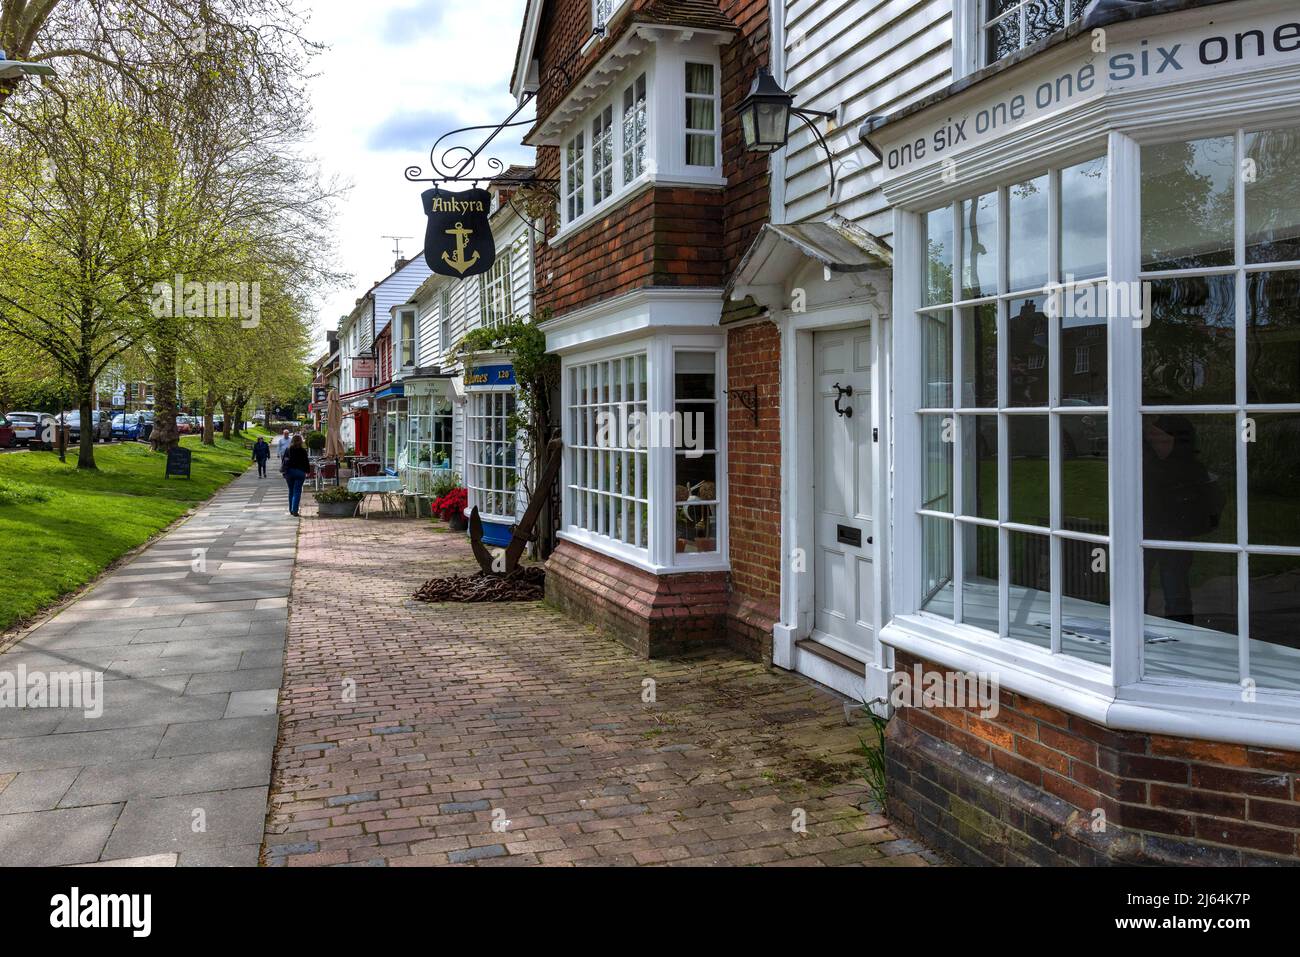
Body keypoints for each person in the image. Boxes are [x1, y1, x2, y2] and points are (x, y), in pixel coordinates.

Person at [282, 434, 310, 516]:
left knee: (291, 491)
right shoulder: (303, 451)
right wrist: (308, 471)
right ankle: (295, 510)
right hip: (300, 472)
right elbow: (306, 462)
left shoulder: (288, 450)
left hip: (289, 472)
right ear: (301, 441)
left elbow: (284, 461)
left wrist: (284, 472)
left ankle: (291, 509)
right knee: (297, 491)